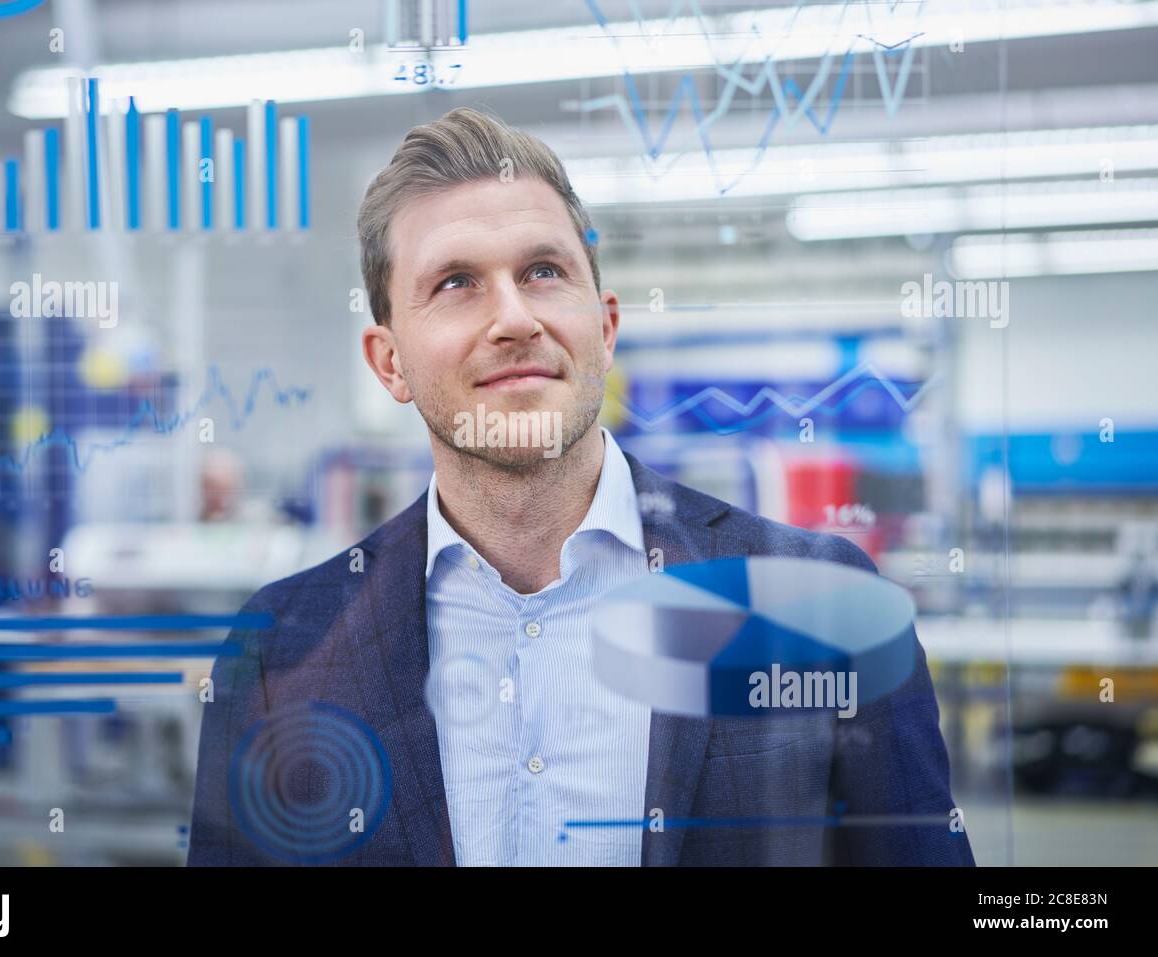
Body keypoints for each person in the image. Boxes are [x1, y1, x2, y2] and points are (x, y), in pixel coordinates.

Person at [188, 107, 974, 867]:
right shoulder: (281, 650)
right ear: (388, 361)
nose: (515, 318)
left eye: (544, 271)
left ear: (604, 326)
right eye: (457, 282)